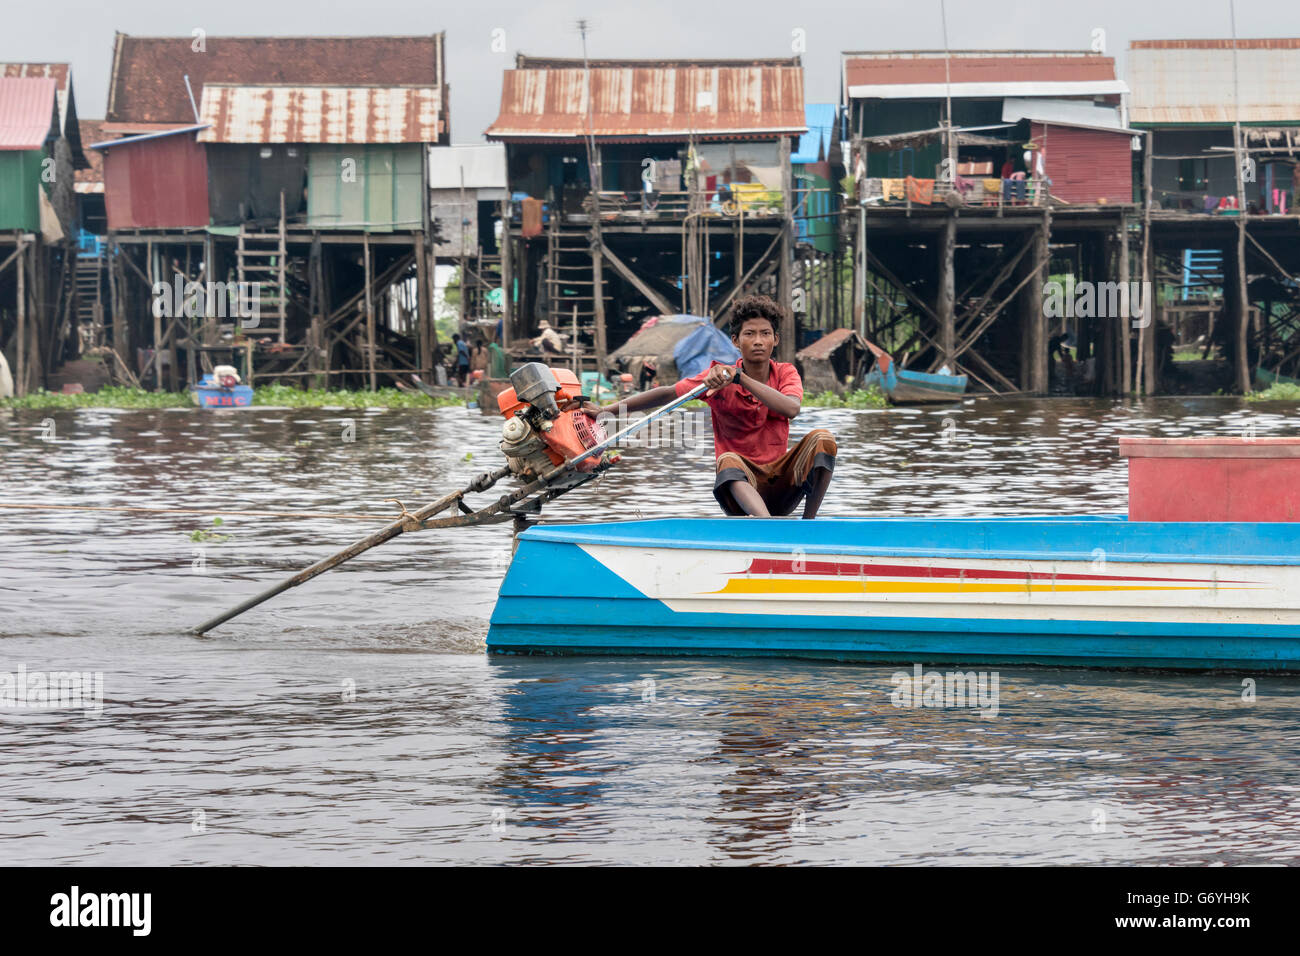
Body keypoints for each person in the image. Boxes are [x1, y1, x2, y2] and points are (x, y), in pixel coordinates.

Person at [585, 294, 837, 518]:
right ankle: (766, 526)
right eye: (750, 334)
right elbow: (666, 394)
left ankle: (808, 525)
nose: (758, 341)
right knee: (728, 459)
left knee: (823, 438)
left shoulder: (784, 372)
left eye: (765, 334)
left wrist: (741, 378)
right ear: (736, 341)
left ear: (775, 339)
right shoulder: (718, 379)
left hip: (781, 488)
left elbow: (791, 409)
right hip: (740, 493)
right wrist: (605, 411)